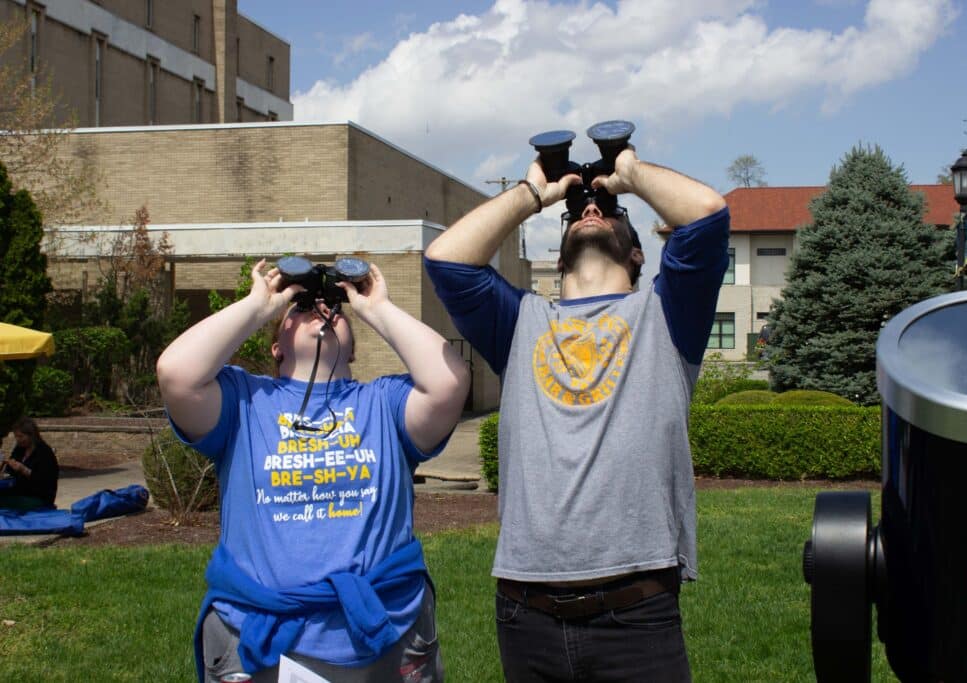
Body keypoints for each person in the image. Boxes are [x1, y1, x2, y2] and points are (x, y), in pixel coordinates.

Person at [424, 145, 729, 682]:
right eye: (579, 212)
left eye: (609, 212)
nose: (592, 211)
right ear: (560, 257)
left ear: (638, 255)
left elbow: (705, 214)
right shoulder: (520, 321)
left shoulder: (667, 313)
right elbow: (446, 258)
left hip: (637, 613)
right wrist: (533, 195)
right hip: (526, 615)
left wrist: (627, 172)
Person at [156, 258, 470, 682]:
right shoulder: (243, 402)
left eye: (332, 309)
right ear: (276, 347)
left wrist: (376, 308)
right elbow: (176, 374)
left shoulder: (385, 403)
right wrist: (258, 305)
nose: (320, 311)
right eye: (300, 308)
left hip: (383, 632)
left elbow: (450, 380)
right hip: (260, 637)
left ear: (354, 347)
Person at [0, 416, 59, 511]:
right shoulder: (19, 449)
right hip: (18, 492)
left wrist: (24, 470)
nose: (18, 440)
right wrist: (8, 467)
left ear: (32, 435)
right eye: (16, 436)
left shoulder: (44, 452)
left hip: (38, 497)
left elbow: (44, 481)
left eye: (21, 436)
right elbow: (9, 471)